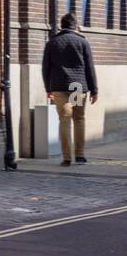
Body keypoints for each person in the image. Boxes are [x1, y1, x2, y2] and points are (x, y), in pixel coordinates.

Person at [42, 13, 99, 166]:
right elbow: (89, 67)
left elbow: (45, 67)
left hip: (59, 86)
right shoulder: (82, 42)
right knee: (78, 119)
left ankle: (66, 158)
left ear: (61, 25)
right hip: (77, 86)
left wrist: (48, 88)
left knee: (64, 119)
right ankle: (79, 155)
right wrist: (94, 90)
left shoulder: (52, 42)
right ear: (75, 25)